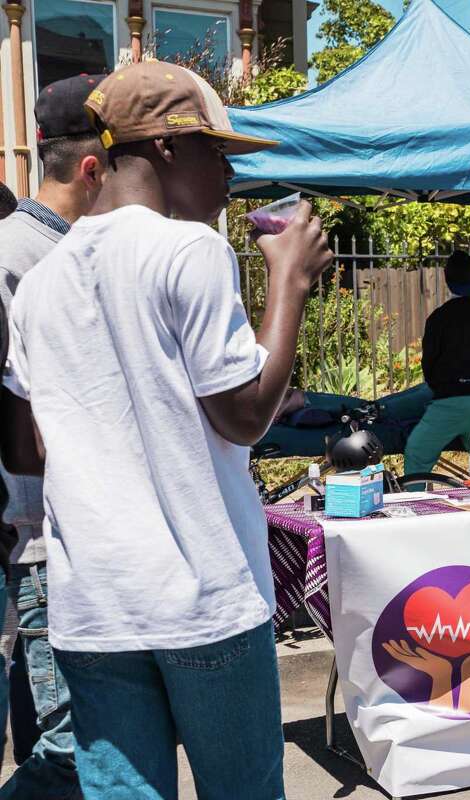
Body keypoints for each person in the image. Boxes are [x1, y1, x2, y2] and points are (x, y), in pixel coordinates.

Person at [0, 62, 332, 798]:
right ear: (169, 147)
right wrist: (290, 283)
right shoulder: (189, 249)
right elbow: (244, 417)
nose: (230, 177)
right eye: (220, 153)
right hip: (202, 596)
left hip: (93, 606)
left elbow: (23, 450)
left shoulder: (44, 280)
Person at [0, 74, 110, 799]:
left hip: (55, 538)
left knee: (48, 737)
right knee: (68, 754)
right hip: (39, 537)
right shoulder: (20, 256)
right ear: (96, 165)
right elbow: (21, 420)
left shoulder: (58, 249)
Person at [403, 250, 470, 476]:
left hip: (449, 402)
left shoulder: (439, 317)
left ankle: (417, 501)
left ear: (447, 279)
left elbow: (429, 366)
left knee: (417, 453)